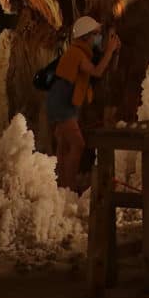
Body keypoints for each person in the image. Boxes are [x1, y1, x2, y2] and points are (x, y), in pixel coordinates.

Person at [49, 15, 119, 191]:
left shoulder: (76, 52)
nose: (98, 37)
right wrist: (110, 51)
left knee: (63, 145)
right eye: (95, 34)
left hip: (60, 103)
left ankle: (61, 186)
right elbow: (96, 72)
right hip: (63, 106)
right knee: (77, 144)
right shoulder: (77, 54)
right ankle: (69, 186)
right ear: (86, 36)